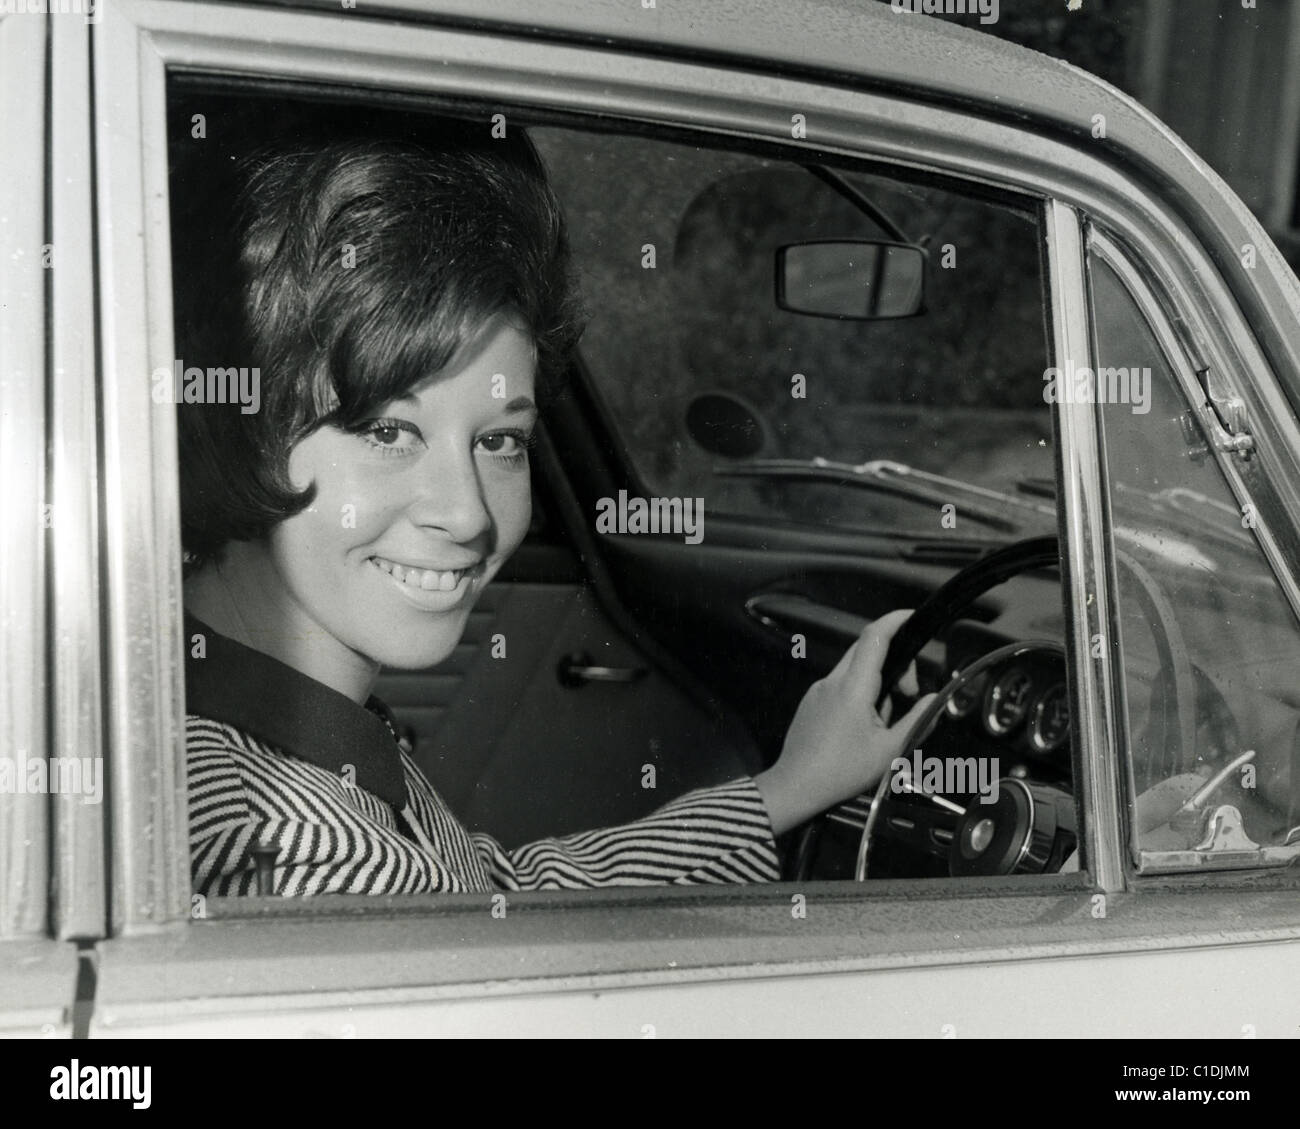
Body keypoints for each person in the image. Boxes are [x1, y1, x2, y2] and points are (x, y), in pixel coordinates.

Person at [177, 131, 934, 896]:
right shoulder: (313, 858)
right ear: (243, 429)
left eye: (502, 440)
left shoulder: (234, 725)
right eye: (387, 430)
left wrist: (787, 789)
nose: (469, 512)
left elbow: (494, 888)